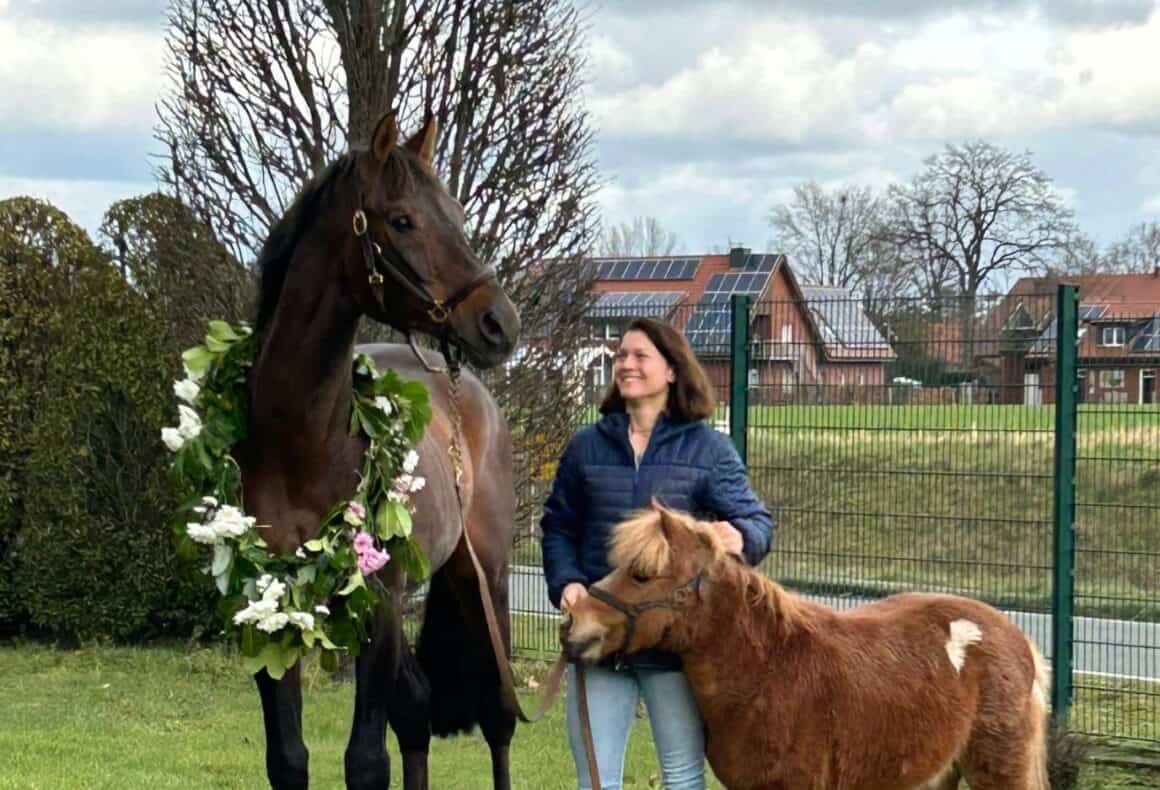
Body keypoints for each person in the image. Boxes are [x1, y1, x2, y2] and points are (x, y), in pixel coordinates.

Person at [540, 316, 775, 790]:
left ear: (672, 370)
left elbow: (757, 523)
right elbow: (558, 526)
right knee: (597, 781)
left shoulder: (710, 450)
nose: (625, 364)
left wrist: (739, 538)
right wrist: (566, 581)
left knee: (683, 779)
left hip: (675, 652)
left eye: (639, 356)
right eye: (621, 355)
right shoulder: (586, 447)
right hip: (600, 640)